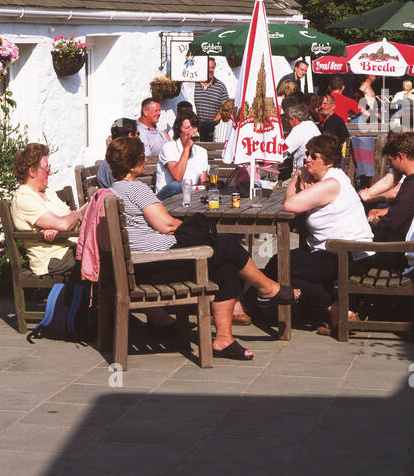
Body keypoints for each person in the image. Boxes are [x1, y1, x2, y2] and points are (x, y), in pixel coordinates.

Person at [106, 134, 296, 359]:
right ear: (138, 160)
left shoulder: (110, 190)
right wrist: (185, 227)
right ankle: (267, 288)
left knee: (225, 263)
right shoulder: (135, 188)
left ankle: (225, 339)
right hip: (154, 265)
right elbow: (166, 225)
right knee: (225, 245)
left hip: (140, 265)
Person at [279, 133, 375, 332]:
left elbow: (289, 205)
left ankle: (335, 308)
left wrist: (295, 179)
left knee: (281, 267)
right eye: (307, 154)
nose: (307, 159)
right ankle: (334, 307)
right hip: (335, 251)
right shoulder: (330, 180)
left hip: (349, 255)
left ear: (329, 162)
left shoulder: (331, 184)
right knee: (279, 261)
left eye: (314, 156)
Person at [10, 144, 84, 276]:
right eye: (46, 168)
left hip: (70, 246)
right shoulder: (24, 198)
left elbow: (67, 219)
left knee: (103, 247)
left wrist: (67, 222)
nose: (50, 172)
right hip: (53, 258)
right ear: (32, 171)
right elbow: (64, 223)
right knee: (103, 253)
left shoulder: (47, 191)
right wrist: (74, 218)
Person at [364, 132, 414, 243]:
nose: (390, 165)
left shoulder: (413, 187)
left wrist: (372, 220)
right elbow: (405, 210)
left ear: (400, 156)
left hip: (398, 247)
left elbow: (389, 226)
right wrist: (378, 211)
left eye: (391, 160)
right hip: (407, 238)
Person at [359, 127, 414, 205]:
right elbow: (388, 180)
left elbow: (397, 192)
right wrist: (368, 193)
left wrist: (370, 199)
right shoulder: (410, 157)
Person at [156, 111, 209, 199]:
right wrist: (187, 148)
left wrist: (210, 184)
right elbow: (177, 176)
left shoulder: (202, 152)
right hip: (168, 197)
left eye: (194, 127)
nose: (191, 131)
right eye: (187, 127)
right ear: (179, 131)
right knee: (176, 185)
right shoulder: (168, 147)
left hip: (191, 195)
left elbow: (202, 182)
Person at [96, 117, 136, 189]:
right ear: (130, 136)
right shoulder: (117, 164)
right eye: (137, 134)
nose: (139, 138)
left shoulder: (113, 159)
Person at [193, 57, 230, 138]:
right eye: (207, 67)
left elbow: (226, 107)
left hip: (215, 128)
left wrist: (212, 123)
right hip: (196, 128)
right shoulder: (194, 84)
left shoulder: (220, 86)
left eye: (212, 67)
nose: (210, 70)